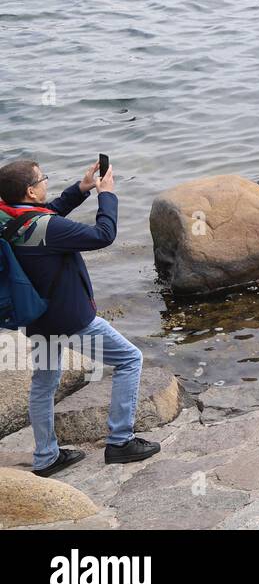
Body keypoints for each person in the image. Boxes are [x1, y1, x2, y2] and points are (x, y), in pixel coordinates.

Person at [0, 159, 160, 476]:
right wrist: (107, 195)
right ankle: (120, 442)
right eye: (42, 178)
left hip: (38, 319)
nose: (47, 182)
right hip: (72, 320)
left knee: (44, 384)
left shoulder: (9, 219)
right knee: (130, 359)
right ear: (31, 191)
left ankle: (46, 456)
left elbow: (47, 217)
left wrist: (81, 189)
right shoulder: (48, 228)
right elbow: (103, 235)